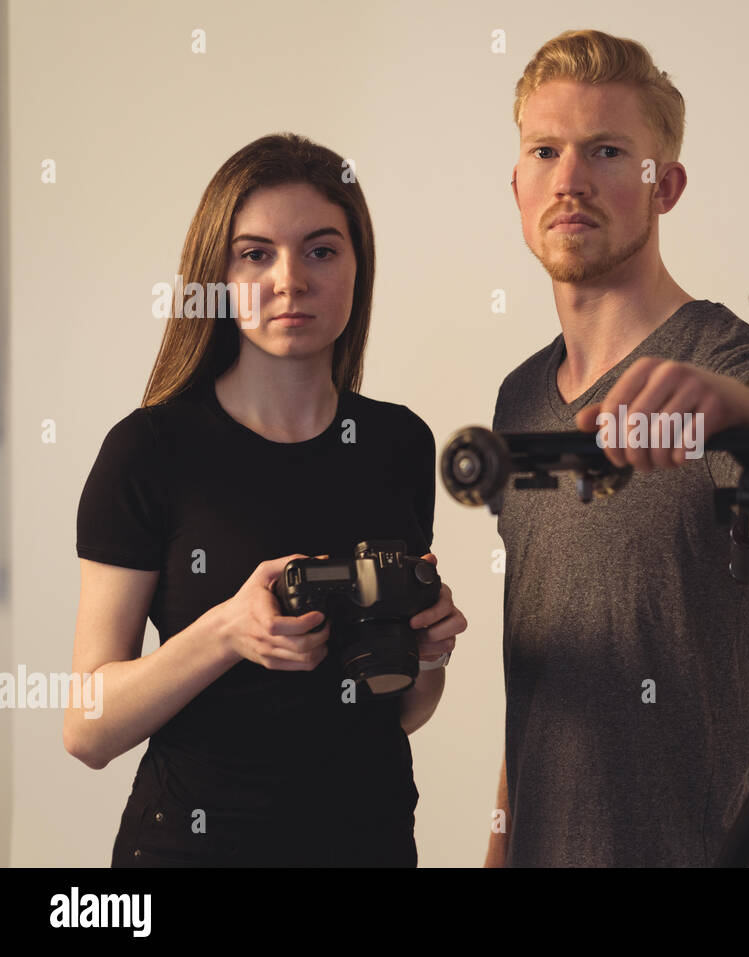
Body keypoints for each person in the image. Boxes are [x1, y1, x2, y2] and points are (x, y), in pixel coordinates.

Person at [485, 30, 749, 867]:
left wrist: (746, 415)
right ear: (518, 183)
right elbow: (540, 686)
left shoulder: (732, 364)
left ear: (663, 184)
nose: (570, 180)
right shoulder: (519, 398)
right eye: (546, 150)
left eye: (607, 151)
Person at [65, 133, 467, 867]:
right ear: (216, 274)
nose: (291, 279)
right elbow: (86, 728)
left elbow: (400, 711)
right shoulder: (149, 450)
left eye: (321, 250)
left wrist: (430, 653)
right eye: (256, 254)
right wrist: (225, 632)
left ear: (357, 266)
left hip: (369, 845)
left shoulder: (399, 442)